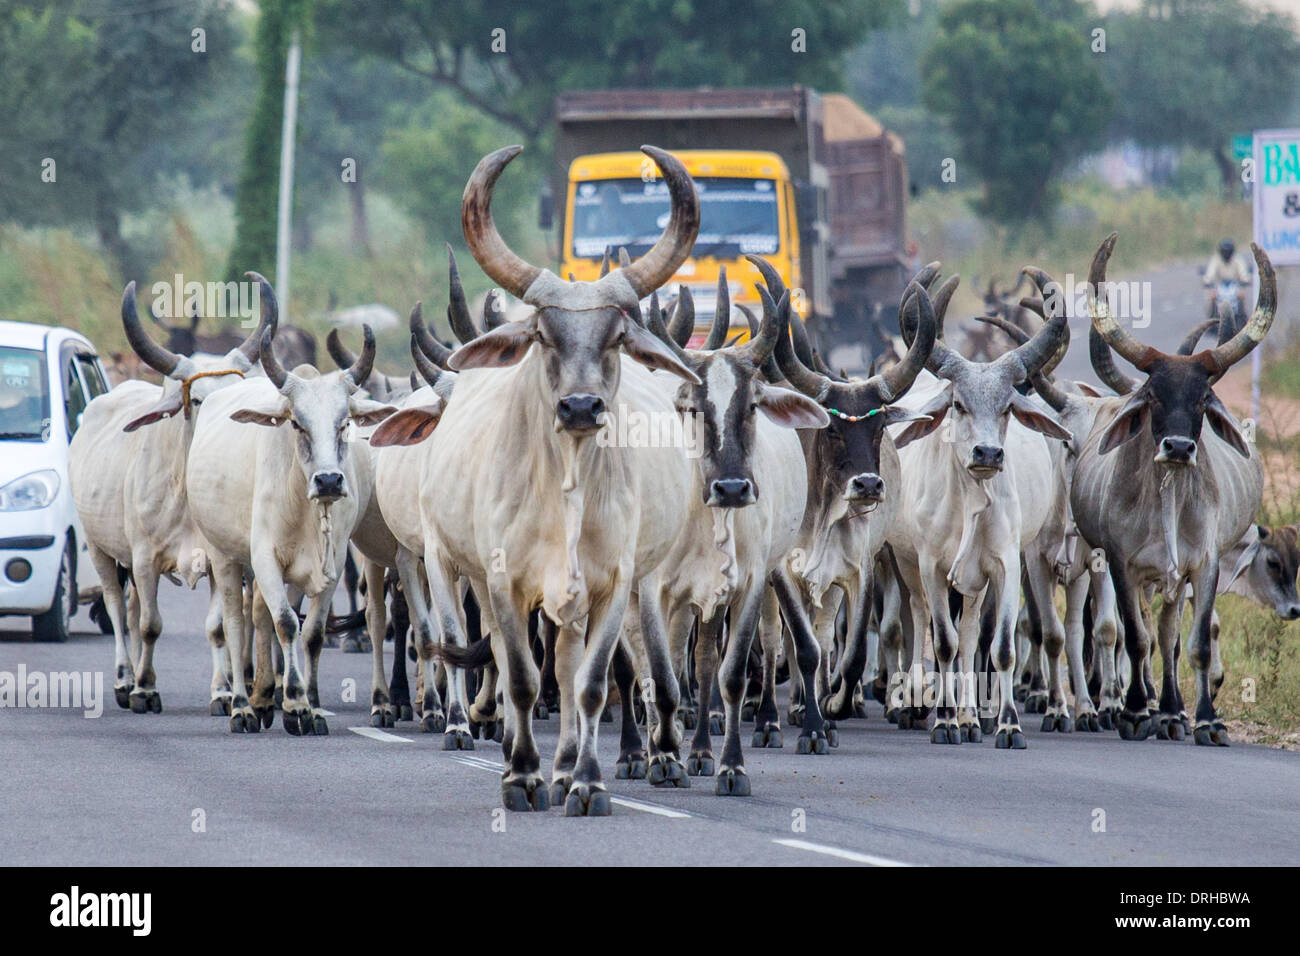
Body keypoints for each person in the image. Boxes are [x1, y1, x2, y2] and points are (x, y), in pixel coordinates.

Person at [1202, 238, 1251, 320]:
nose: (1226, 254)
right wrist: (1207, 281)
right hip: (1220, 286)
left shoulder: (1237, 259)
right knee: (1211, 297)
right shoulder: (1216, 260)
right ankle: (1211, 317)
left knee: (1242, 296)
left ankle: (1244, 317)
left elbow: (1243, 273)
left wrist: (1245, 280)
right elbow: (1210, 273)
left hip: (1234, 286)